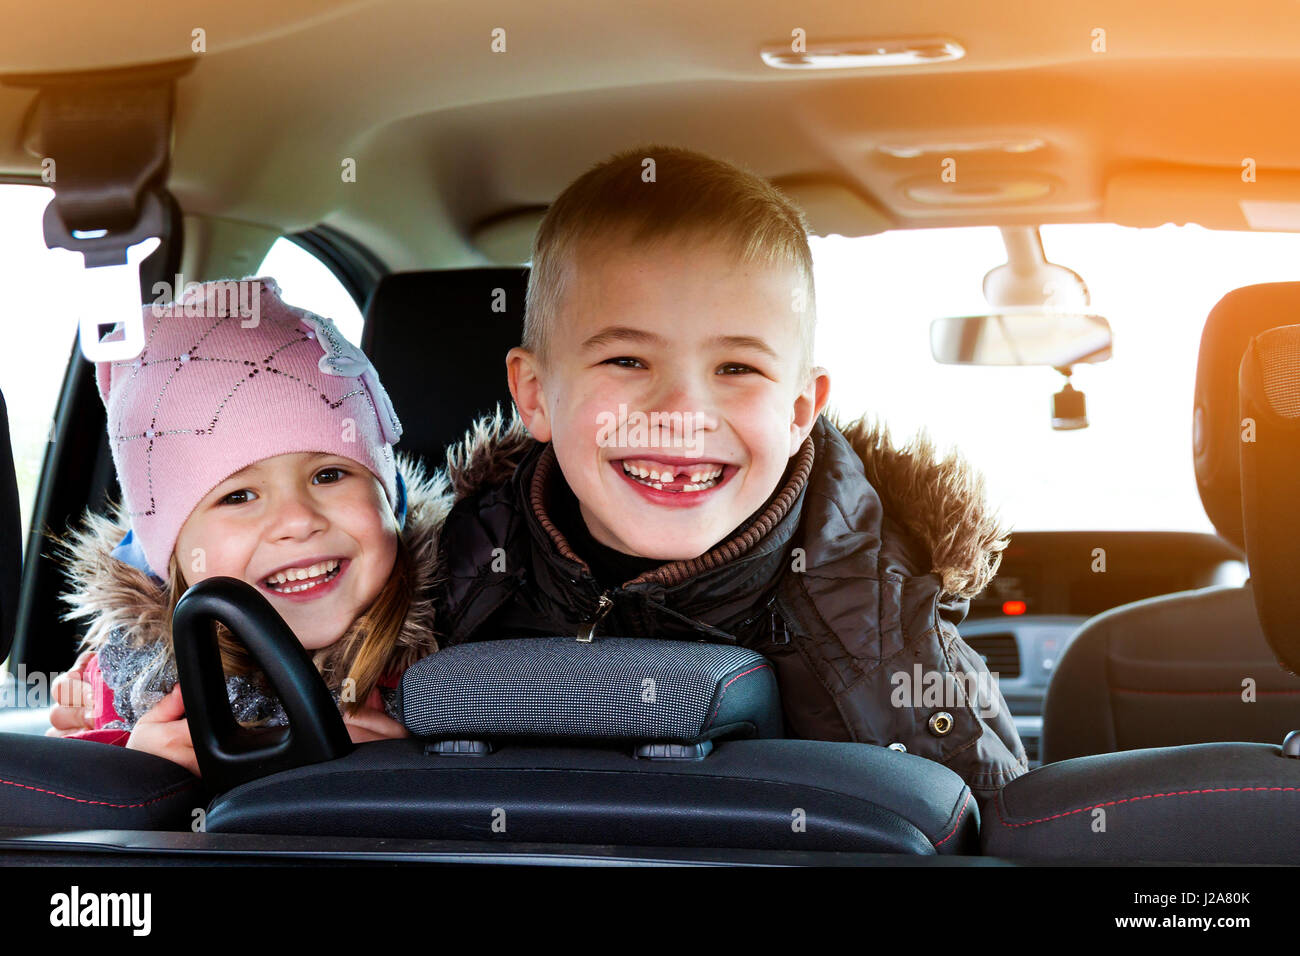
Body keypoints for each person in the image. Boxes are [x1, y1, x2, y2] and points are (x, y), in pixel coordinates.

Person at [431, 145, 1029, 808]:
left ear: (800, 410)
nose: (684, 414)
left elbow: (992, 829)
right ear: (536, 394)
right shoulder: (441, 592)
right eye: (627, 360)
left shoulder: (886, 635)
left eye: (736, 368)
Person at [45, 277, 444, 775]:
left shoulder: (464, 650)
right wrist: (142, 775)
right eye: (238, 496)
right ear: (168, 553)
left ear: (390, 501)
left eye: (329, 474)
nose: (298, 522)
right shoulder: (124, 687)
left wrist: (411, 770)